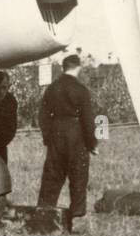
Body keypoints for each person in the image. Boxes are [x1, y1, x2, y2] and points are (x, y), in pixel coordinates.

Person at [36, 54, 97, 217]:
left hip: (56, 133)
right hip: (77, 135)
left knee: (52, 175)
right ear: (78, 67)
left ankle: (44, 212)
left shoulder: (52, 88)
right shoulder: (81, 90)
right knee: (78, 175)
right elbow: (88, 119)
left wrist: (47, 137)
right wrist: (92, 144)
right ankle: (77, 213)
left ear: (63, 68)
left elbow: (42, 115)